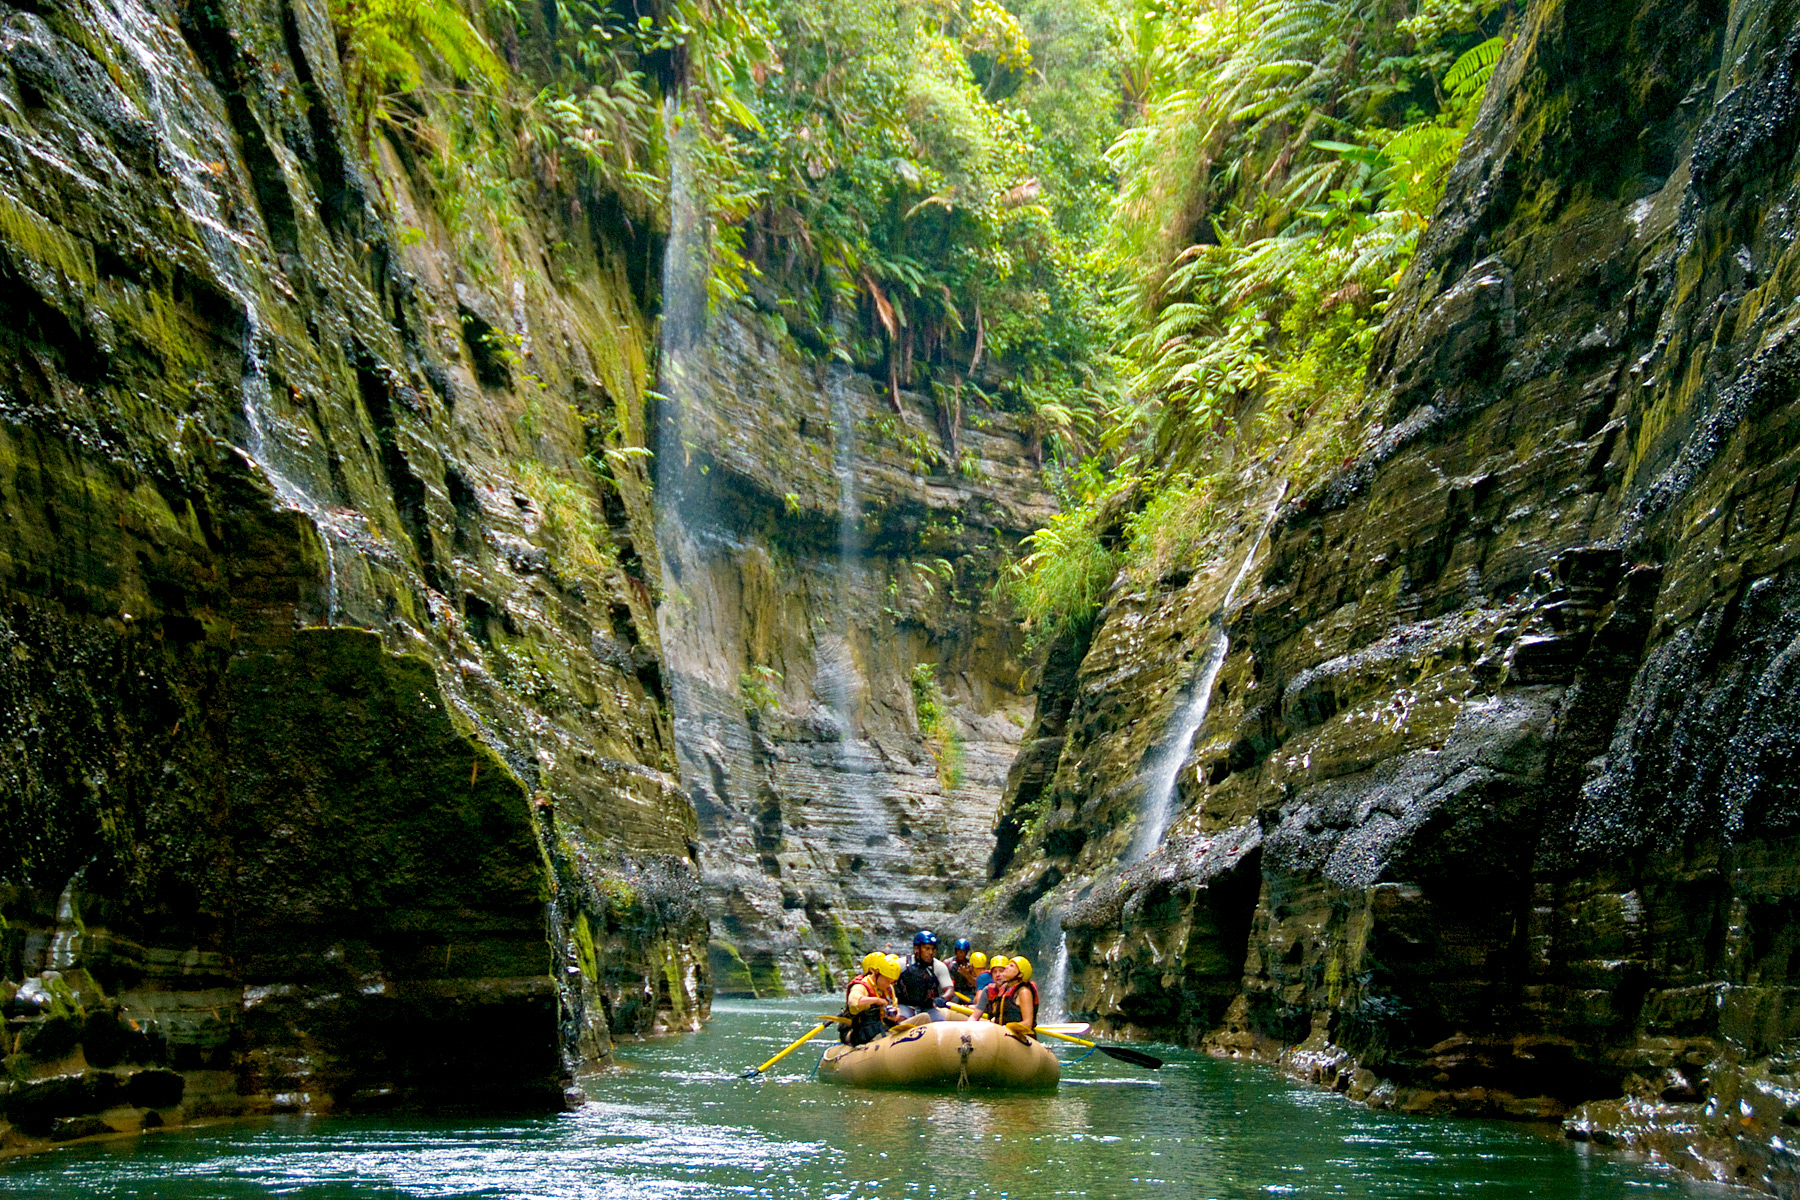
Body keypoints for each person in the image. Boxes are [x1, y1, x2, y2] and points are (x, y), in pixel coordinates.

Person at [893, 930, 955, 1021]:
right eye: (927, 948)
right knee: (900, 1019)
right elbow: (887, 983)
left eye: (933, 949)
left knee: (941, 1023)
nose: (931, 952)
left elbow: (949, 990)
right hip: (904, 1006)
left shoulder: (939, 967)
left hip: (928, 1008)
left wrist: (942, 999)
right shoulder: (901, 964)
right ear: (917, 949)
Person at [841, 952, 900, 1046]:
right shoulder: (860, 986)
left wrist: (895, 1015)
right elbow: (854, 1003)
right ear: (876, 973)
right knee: (873, 1029)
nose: (889, 985)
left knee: (923, 1018)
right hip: (860, 1030)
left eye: (892, 982)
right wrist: (877, 1001)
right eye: (887, 981)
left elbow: (895, 1007)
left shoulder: (889, 988)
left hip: (882, 1026)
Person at [991, 955, 1038, 1038]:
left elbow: (1027, 1024)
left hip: (1022, 1039)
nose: (1006, 967)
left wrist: (1006, 1029)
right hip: (1006, 1036)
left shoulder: (1024, 992)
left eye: (1011, 966)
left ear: (1020, 974)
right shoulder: (1005, 990)